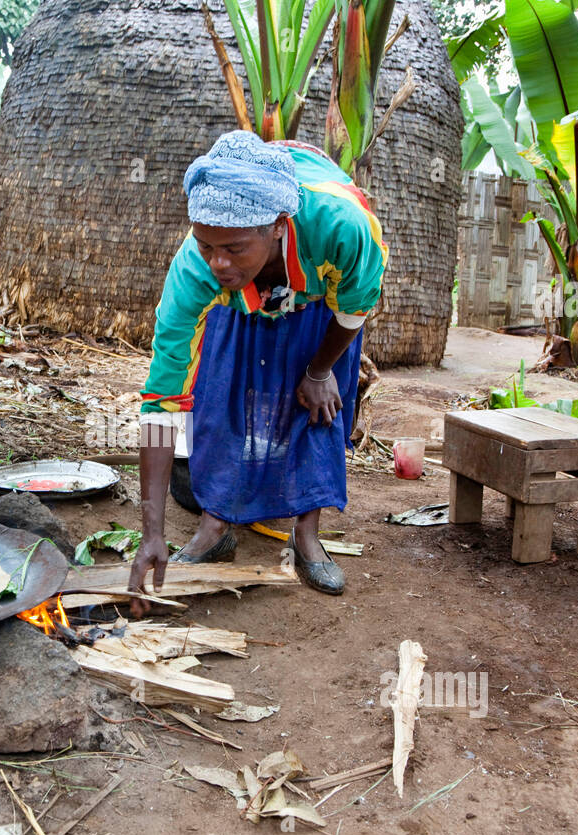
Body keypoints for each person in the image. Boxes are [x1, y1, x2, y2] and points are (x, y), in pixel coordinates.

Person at [127, 130, 386, 615]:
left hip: (319, 299)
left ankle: (307, 537)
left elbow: (355, 308)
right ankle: (214, 527)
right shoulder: (197, 271)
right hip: (246, 300)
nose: (218, 262)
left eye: (233, 248)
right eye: (206, 245)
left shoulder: (343, 228)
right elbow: (161, 402)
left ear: (278, 227)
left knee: (318, 406)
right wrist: (152, 534)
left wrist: (319, 369)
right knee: (221, 395)